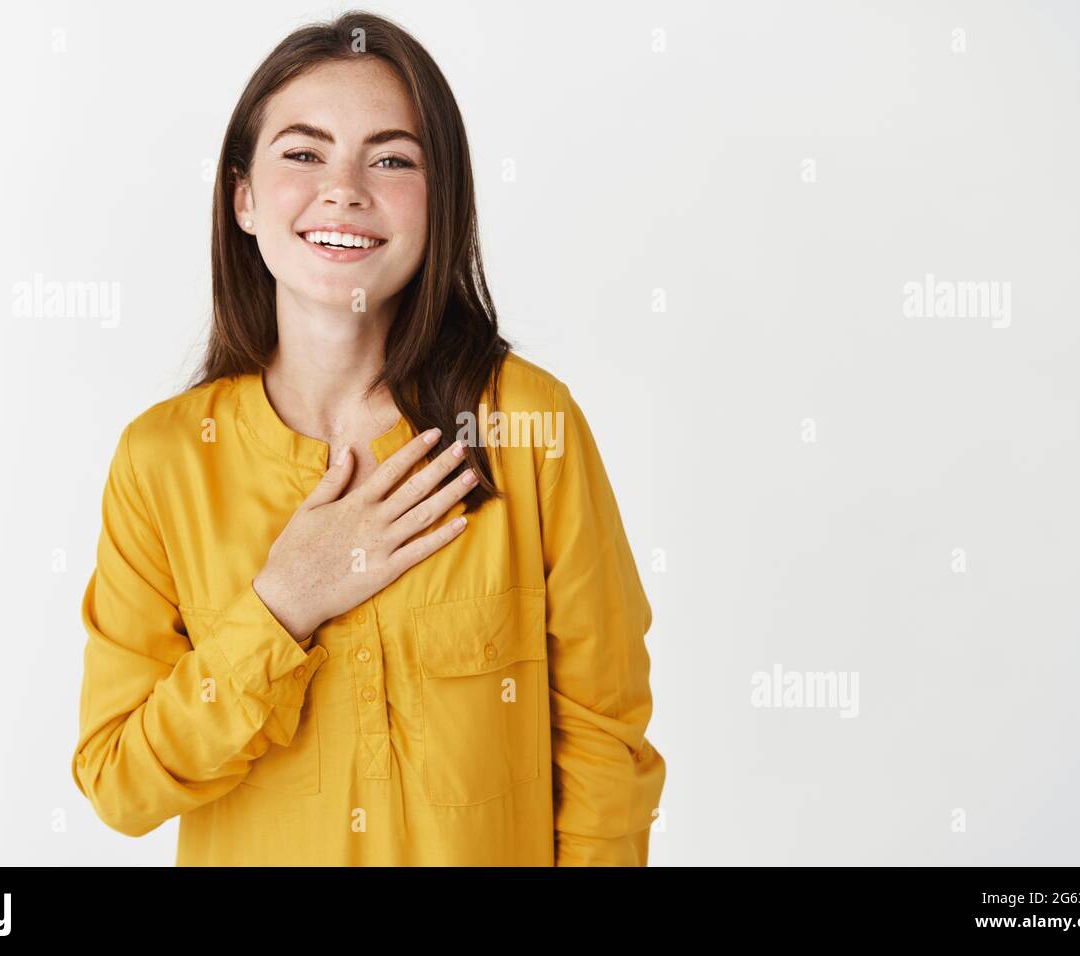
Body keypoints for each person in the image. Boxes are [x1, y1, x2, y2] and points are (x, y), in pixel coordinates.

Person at [71, 10, 665, 866]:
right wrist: (282, 607)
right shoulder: (162, 461)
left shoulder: (529, 428)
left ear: (442, 201)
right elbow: (119, 783)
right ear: (242, 198)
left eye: (391, 159)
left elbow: (606, 748)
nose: (344, 188)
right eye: (304, 153)